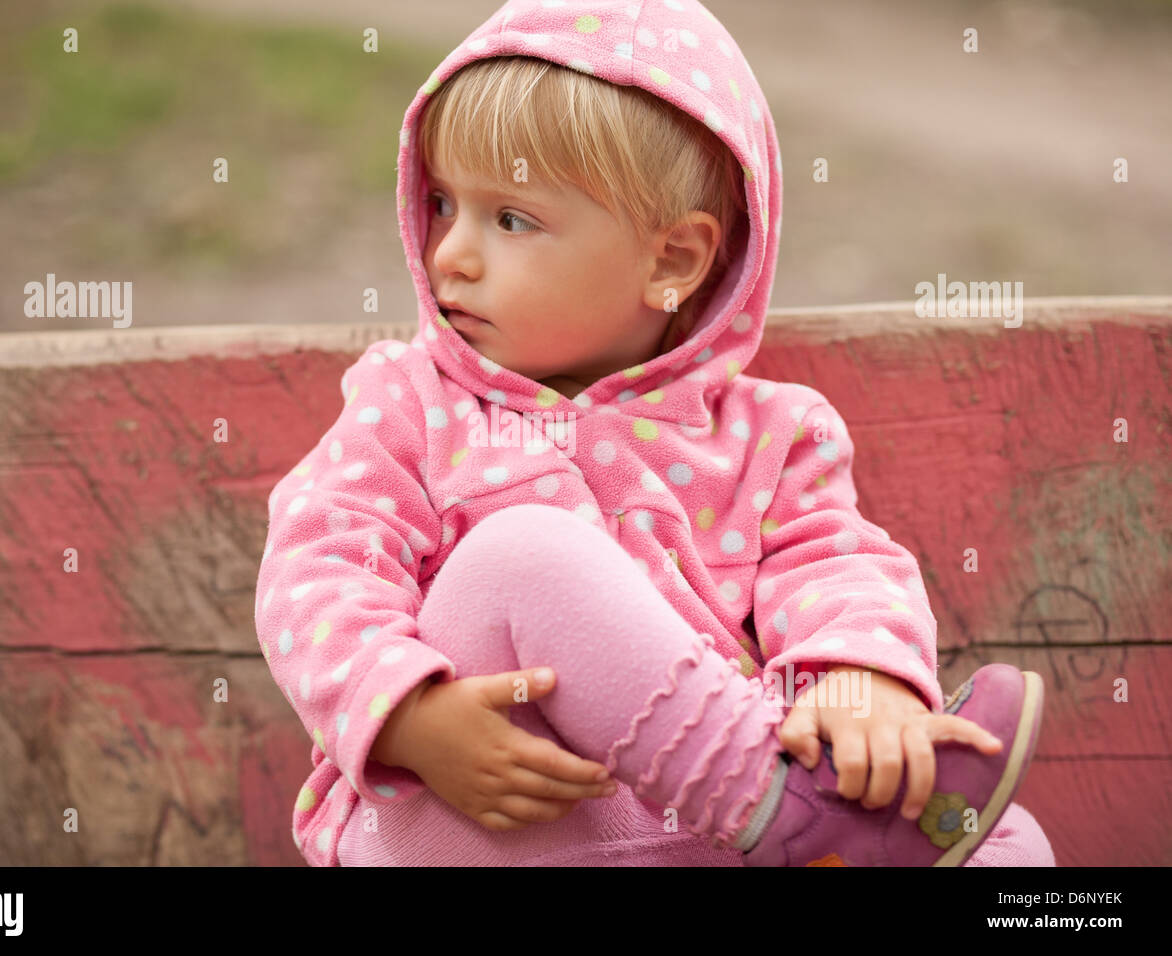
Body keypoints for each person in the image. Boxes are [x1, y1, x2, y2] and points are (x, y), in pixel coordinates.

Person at [254, 0, 1055, 867]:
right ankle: (786, 813)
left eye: (510, 219)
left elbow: (839, 566)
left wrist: (860, 685)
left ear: (672, 263)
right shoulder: (410, 403)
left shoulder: (769, 436)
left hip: (694, 840)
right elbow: (318, 567)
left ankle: (798, 819)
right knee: (524, 555)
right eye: (443, 203)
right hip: (482, 816)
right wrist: (408, 715)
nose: (451, 252)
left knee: (1007, 847)